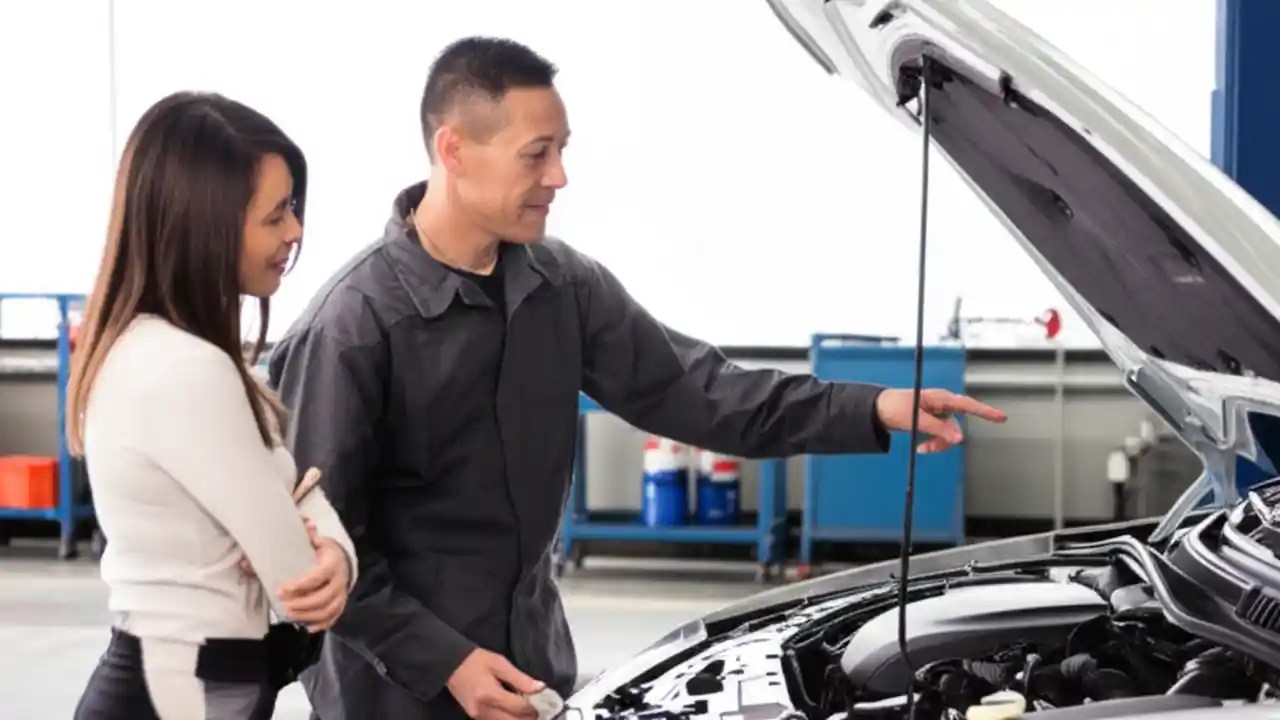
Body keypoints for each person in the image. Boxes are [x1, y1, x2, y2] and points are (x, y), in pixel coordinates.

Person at [267, 36, 1007, 720]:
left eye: (562, 150)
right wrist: (448, 663)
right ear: (453, 149)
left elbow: (701, 393)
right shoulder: (352, 328)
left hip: (535, 669)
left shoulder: (562, 288)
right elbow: (315, 552)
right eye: (538, 154)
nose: (559, 176)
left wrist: (872, 407)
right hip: (395, 691)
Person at [68, 91, 359, 719]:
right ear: (207, 226)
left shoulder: (171, 353)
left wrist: (320, 535)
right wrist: (320, 538)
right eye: (275, 215)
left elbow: (299, 520)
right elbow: (298, 579)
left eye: (294, 208)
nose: (295, 232)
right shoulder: (185, 370)